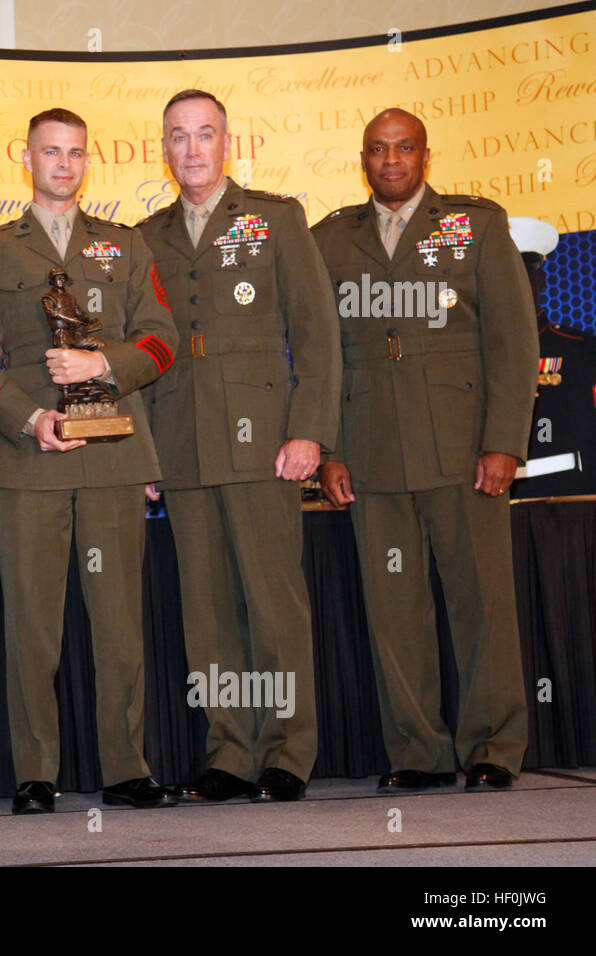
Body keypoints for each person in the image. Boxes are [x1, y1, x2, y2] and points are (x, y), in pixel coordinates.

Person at [0, 108, 177, 814]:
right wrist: (30, 418)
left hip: (113, 455)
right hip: (31, 459)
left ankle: (125, 767)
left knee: (118, 624)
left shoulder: (125, 246)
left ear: (89, 160)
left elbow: (162, 340)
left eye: (76, 153)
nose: (64, 164)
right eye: (51, 152)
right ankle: (34, 773)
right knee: (33, 624)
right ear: (27, 158)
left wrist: (100, 360)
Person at [313, 108, 538, 792]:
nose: (391, 160)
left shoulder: (474, 224)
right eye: (378, 150)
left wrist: (503, 442)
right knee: (394, 610)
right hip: (373, 451)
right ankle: (418, 751)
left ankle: (493, 746)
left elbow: (512, 340)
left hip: (461, 447)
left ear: (425, 155)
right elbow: (324, 355)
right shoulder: (330, 238)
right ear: (363, 159)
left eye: (403, 148)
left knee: (481, 605)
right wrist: (330, 449)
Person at [138, 89, 340, 803]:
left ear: (228, 143)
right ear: (162, 149)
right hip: (181, 440)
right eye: (178, 137)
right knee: (209, 611)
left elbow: (317, 332)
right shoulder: (145, 237)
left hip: (265, 443)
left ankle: (289, 750)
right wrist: (141, 454)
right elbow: (136, 351)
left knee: (274, 604)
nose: (192, 149)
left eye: (204, 135)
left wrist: (310, 429)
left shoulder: (276, 220)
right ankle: (229, 749)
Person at [507, 216, 596, 500]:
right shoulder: (467, 354)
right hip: (493, 502)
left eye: (524, 275)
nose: (515, 288)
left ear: (540, 279)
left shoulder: (581, 348)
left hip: (571, 497)